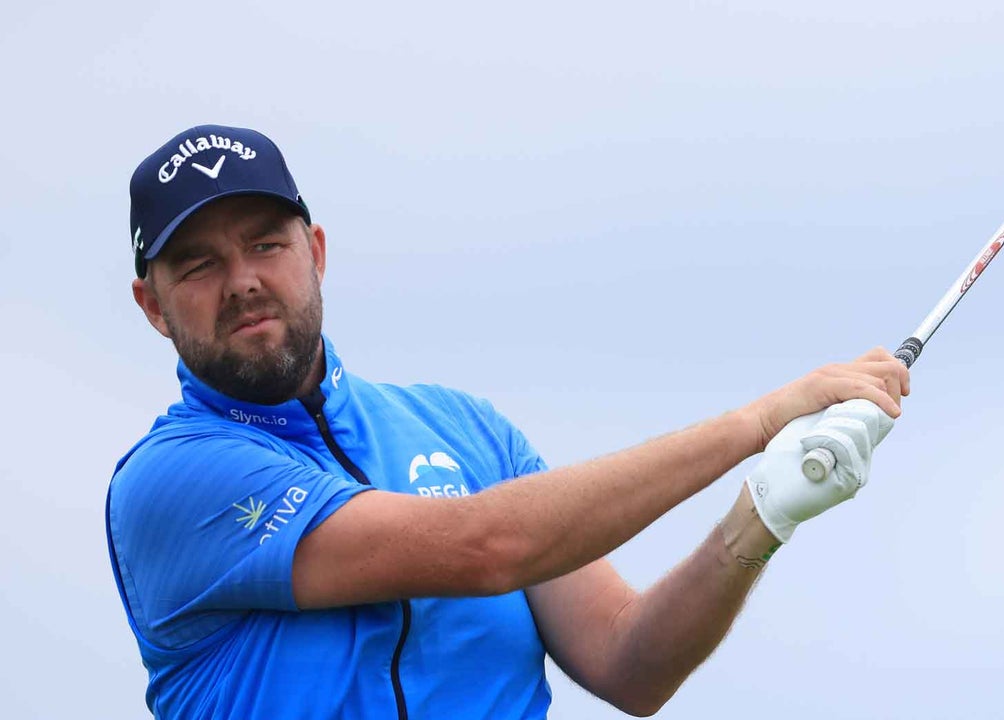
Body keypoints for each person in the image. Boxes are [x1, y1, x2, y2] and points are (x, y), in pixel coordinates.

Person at [107, 124, 909, 719]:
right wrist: (758, 421)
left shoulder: (460, 429)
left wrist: (761, 514)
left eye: (264, 244)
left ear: (315, 250)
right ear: (152, 304)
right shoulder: (170, 481)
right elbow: (487, 545)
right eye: (201, 264)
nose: (244, 281)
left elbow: (629, 661)